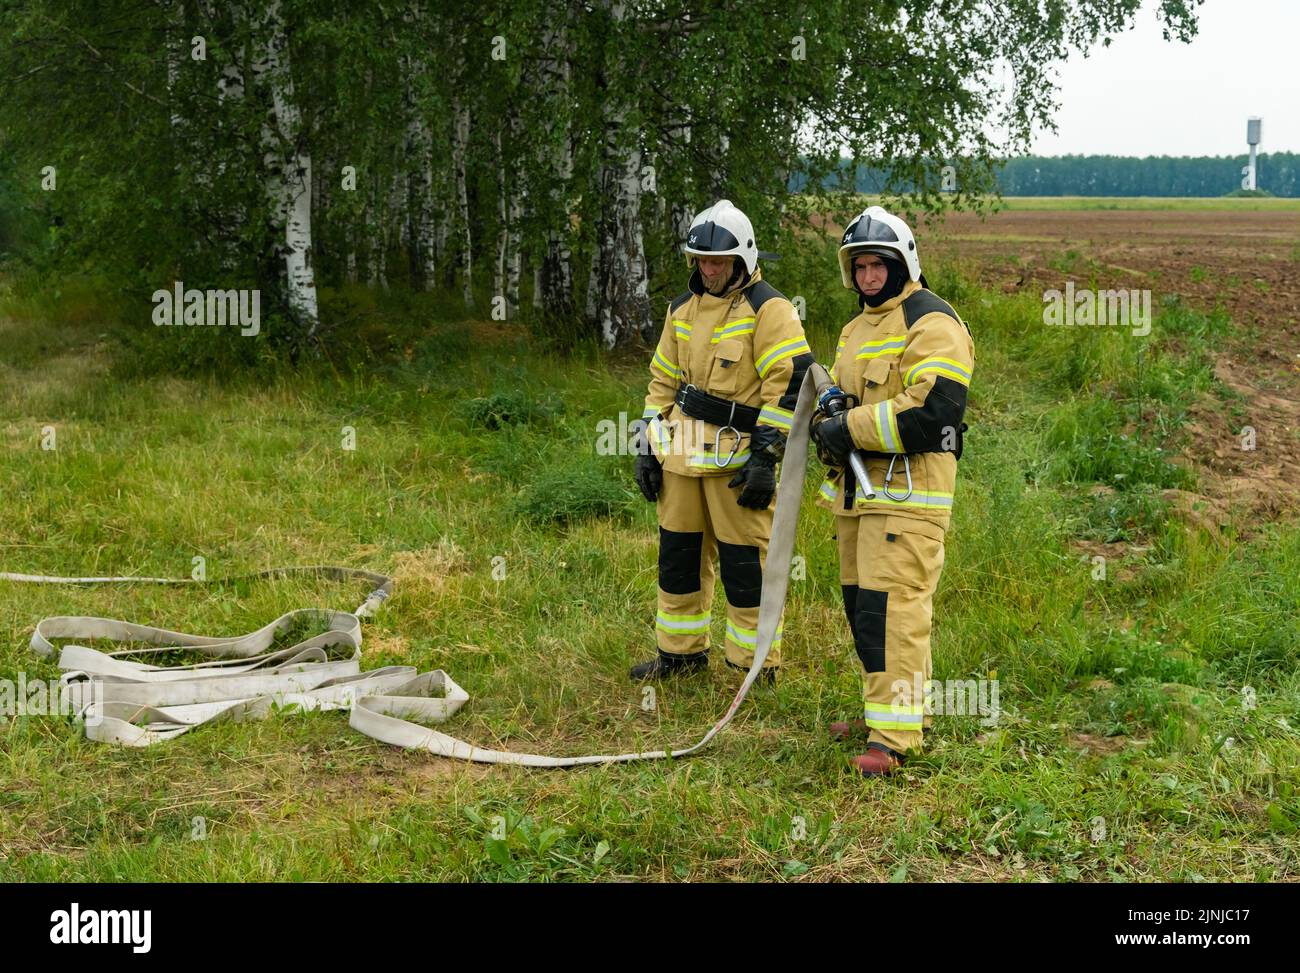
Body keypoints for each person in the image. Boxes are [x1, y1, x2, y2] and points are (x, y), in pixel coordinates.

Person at [810, 205, 975, 776]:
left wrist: (844, 428)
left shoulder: (934, 321)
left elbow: (933, 412)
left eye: (879, 265)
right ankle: (884, 711)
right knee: (863, 608)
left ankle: (895, 739)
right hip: (858, 496)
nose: (869, 277)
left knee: (895, 610)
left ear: (904, 263)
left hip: (910, 498)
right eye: (860, 267)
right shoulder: (855, 329)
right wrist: (829, 421)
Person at [630, 199, 814, 683]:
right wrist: (647, 444)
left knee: (744, 567)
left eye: (719, 261)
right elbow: (661, 384)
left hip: (738, 461)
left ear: (743, 260)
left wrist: (766, 457)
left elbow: (792, 382)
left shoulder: (770, 310)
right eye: (702, 260)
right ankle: (680, 656)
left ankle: (754, 668)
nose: (709, 270)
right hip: (680, 456)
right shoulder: (681, 310)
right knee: (679, 560)